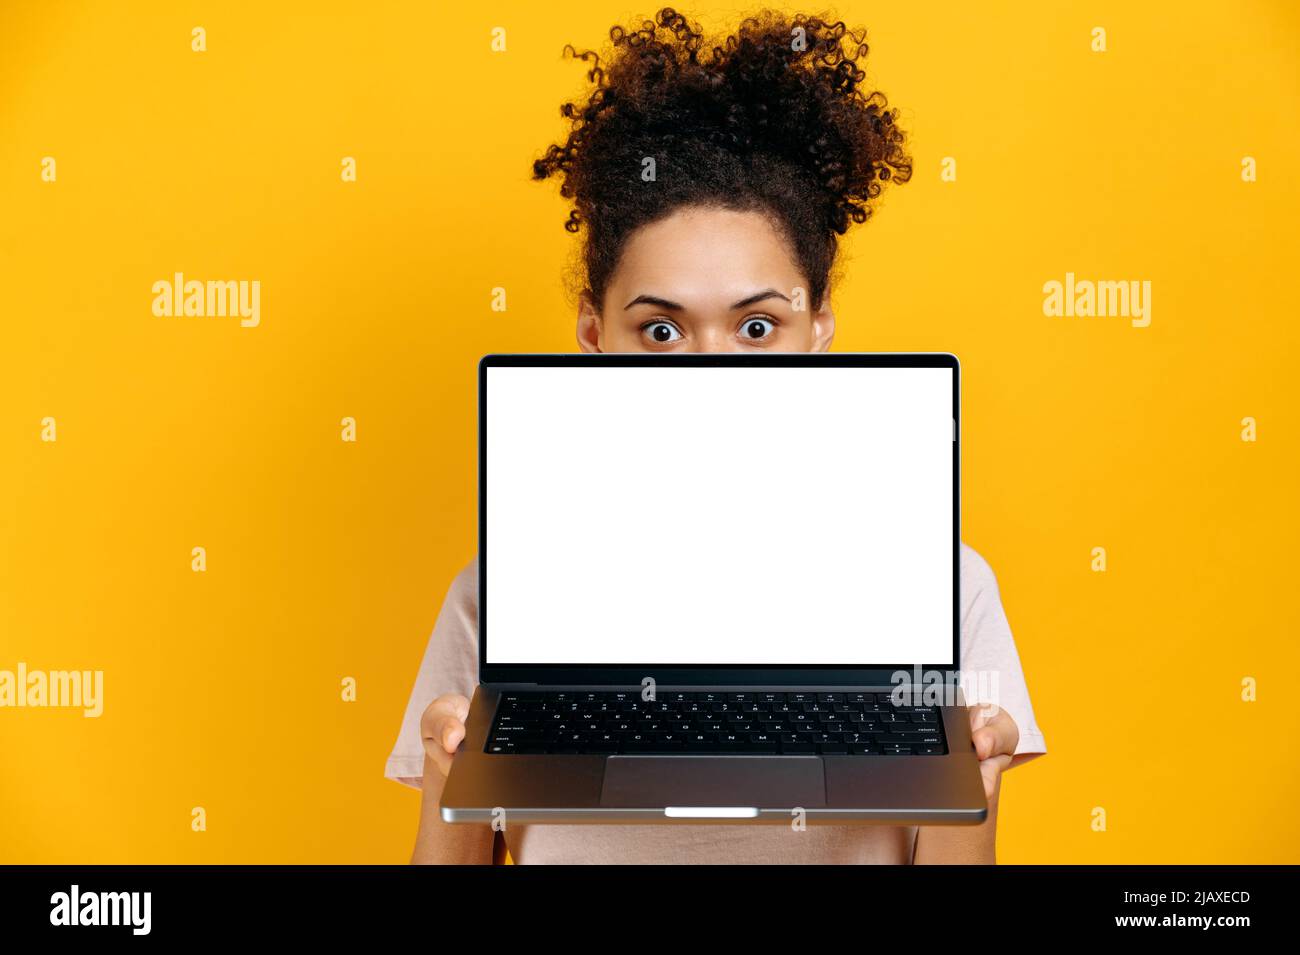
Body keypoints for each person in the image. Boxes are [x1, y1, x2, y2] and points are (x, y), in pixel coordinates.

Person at [387, 8, 1046, 863]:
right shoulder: (503, 599)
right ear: (594, 335)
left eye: (757, 328)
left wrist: (974, 784)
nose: (710, 372)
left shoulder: (946, 592)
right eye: (660, 331)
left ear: (818, 327)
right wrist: (449, 777)